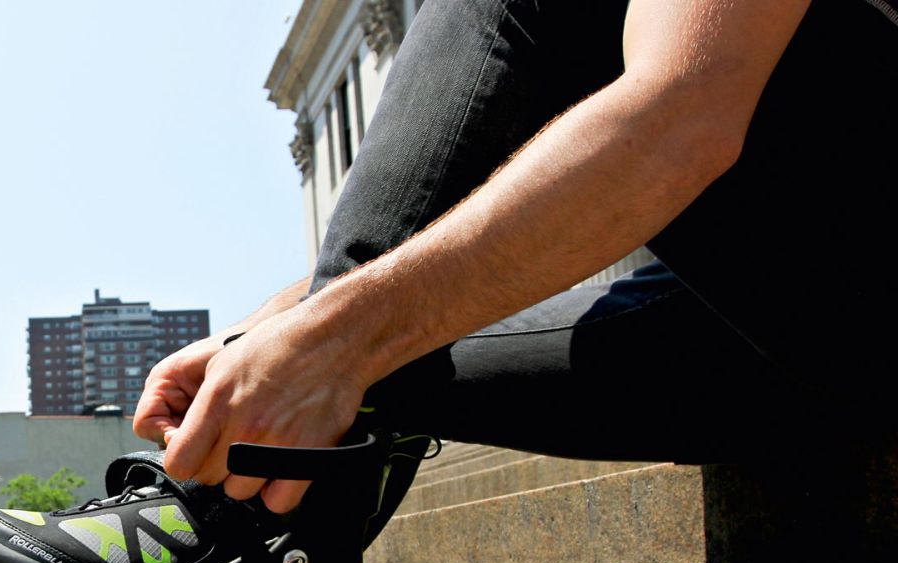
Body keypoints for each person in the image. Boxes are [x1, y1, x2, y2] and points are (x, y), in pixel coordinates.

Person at [135, 0, 896, 516]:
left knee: (374, 345)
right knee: (399, 362)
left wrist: (329, 342)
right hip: (814, 335)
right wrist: (283, 330)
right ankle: (254, 539)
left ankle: (243, 546)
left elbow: (683, 114)